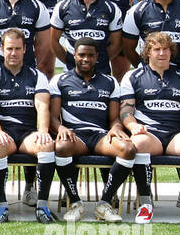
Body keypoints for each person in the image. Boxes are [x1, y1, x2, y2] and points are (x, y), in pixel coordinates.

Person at [114, 32, 180, 224]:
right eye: (156, 49)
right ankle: (146, 204)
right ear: (147, 52)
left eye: (165, 49)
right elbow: (126, 111)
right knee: (138, 142)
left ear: (171, 52)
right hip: (149, 133)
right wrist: (133, 127)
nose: (162, 53)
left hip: (176, 136)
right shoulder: (133, 76)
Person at [50, 38, 137, 223]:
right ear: (74, 55)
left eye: (90, 55)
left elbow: (114, 117)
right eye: (81, 55)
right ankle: (75, 203)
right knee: (60, 147)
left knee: (128, 149)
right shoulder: (60, 80)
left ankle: (104, 203)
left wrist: (115, 128)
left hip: (100, 136)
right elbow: (52, 116)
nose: (86, 59)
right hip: (75, 135)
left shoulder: (110, 81)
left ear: (97, 56)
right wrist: (61, 127)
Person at [0, 30, 56, 223]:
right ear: (2, 50)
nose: (13, 53)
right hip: (5, 132)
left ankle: (42, 206)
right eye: (9, 49)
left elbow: (42, 105)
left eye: (18, 49)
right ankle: (2, 207)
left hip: (28, 133)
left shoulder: (37, 76)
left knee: (46, 145)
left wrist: (43, 131)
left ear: (25, 50)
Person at [49, 0, 123, 78]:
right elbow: (53, 41)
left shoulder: (111, 8)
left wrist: (99, 60)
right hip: (71, 75)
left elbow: (117, 44)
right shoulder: (62, 7)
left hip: (102, 74)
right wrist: (70, 61)